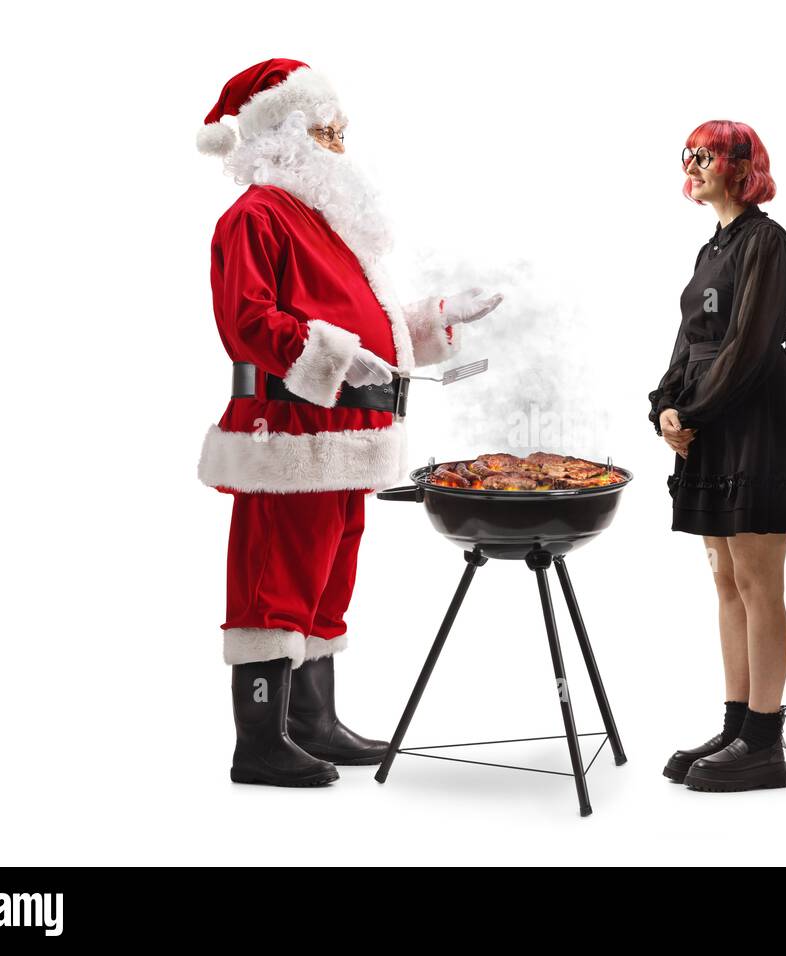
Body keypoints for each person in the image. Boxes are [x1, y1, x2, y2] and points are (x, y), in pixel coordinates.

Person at [195, 59, 503, 787]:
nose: (339, 142)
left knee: (328, 576)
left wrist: (432, 321)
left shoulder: (330, 223)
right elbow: (247, 321)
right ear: (282, 135)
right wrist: (327, 354)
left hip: (347, 439)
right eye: (325, 127)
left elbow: (367, 327)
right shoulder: (256, 217)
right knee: (277, 581)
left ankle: (313, 723)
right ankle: (259, 743)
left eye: (340, 128)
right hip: (289, 436)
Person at [647, 120, 786, 793]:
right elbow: (689, 342)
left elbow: (750, 346)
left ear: (739, 166)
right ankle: (736, 722)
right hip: (710, 423)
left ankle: (765, 742)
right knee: (723, 579)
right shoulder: (710, 249)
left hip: (754, 422)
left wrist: (692, 413)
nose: (691, 164)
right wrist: (663, 406)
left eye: (705, 155)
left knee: (758, 580)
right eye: (687, 154)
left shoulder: (766, 240)